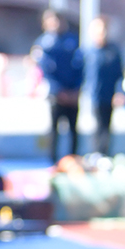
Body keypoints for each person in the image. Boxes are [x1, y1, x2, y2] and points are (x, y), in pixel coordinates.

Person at [32, 9, 81, 161]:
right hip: (56, 94)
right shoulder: (43, 44)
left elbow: (79, 66)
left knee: (73, 128)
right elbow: (45, 71)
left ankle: (72, 159)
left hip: (72, 93)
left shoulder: (72, 41)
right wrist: (58, 90)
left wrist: (75, 89)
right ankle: (52, 160)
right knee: (54, 129)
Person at [82, 16, 125, 156]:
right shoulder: (88, 51)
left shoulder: (113, 51)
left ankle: (104, 154)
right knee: (96, 126)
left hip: (109, 94)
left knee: (106, 127)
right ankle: (95, 153)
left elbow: (119, 74)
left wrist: (119, 92)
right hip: (94, 95)